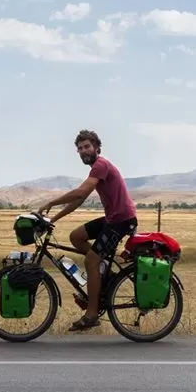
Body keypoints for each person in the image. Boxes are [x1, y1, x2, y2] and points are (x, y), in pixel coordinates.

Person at [36, 129, 138, 331]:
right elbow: (80, 200)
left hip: (122, 220)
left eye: (87, 147)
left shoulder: (101, 165)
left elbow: (81, 191)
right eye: (80, 148)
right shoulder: (96, 169)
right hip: (112, 218)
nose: (83, 151)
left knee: (91, 260)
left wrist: (51, 202)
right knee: (76, 237)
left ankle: (91, 314)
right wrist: (53, 218)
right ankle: (100, 272)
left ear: (97, 147)